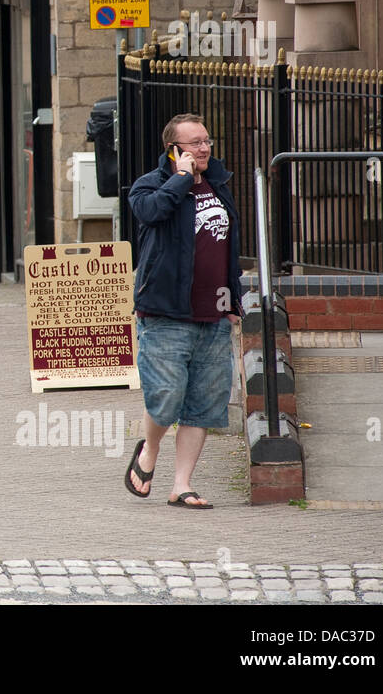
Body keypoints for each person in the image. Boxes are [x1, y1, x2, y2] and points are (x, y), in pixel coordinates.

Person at [125, 113, 242, 510]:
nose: (204, 148)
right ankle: (148, 453)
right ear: (173, 149)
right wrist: (180, 177)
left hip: (214, 313)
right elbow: (152, 213)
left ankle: (182, 484)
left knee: (204, 403)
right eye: (193, 143)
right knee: (166, 397)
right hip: (165, 313)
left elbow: (227, 246)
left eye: (206, 141)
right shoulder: (151, 185)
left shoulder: (219, 185)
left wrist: (233, 302)